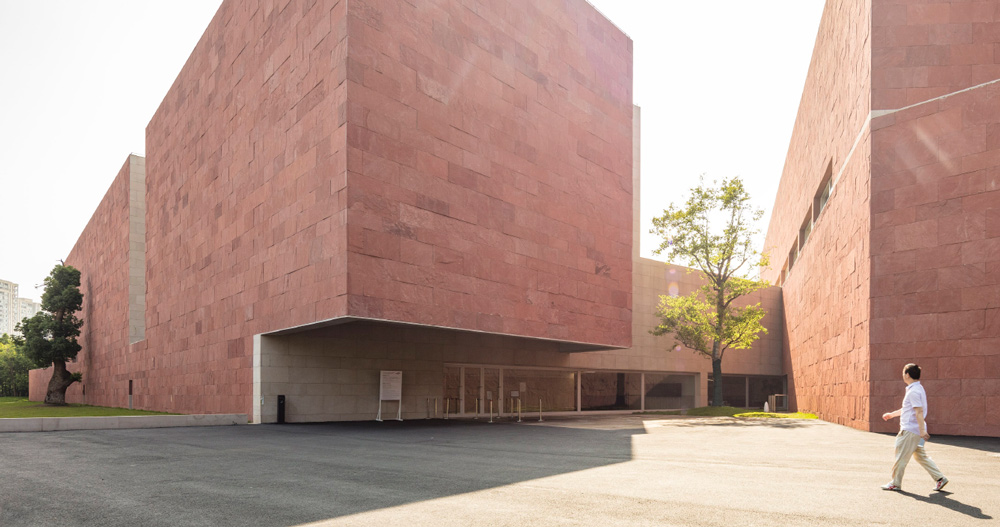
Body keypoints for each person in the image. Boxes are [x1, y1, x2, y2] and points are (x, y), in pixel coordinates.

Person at [880, 363, 948, 492]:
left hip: (910, 431)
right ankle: (940, 478)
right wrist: (891, 415)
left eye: (903, 373)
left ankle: (895, 483)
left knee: (900, 456)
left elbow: (918, 411)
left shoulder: (914, 391)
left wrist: (922, 431)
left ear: (907, 375)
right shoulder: (917, 389)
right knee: (920, 456)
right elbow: (908, 409)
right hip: (915, 431)